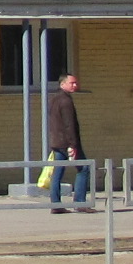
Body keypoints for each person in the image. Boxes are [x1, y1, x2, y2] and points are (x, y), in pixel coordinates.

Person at [44, 73, 95, 213]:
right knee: (83, 168)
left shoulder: (54, 99)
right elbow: (69, 125)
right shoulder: (66, 101)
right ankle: (80, 202)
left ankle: (56, 205)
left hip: (56, 142)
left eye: (75, 83)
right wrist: (72, 145)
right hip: (67, 143)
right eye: (72, 83)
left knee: (57, 173)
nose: (75, 85)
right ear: (62, 84)